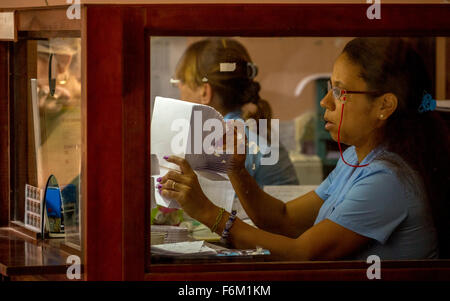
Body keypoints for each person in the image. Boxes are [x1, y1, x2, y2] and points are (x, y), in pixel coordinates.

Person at [157, 37, 450, 260]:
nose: (325, 102)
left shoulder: (389, 180)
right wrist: (236, 170)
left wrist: (208, 212)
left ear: (384, 106)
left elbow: (302, 254)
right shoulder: (354, 159)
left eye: (339, 92)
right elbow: (284, 220)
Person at [173, 38, 299, 187]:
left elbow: (214, 209)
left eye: (182, 82)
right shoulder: (248, 134)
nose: (179, 90)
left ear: (205, 92)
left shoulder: (223, 145)